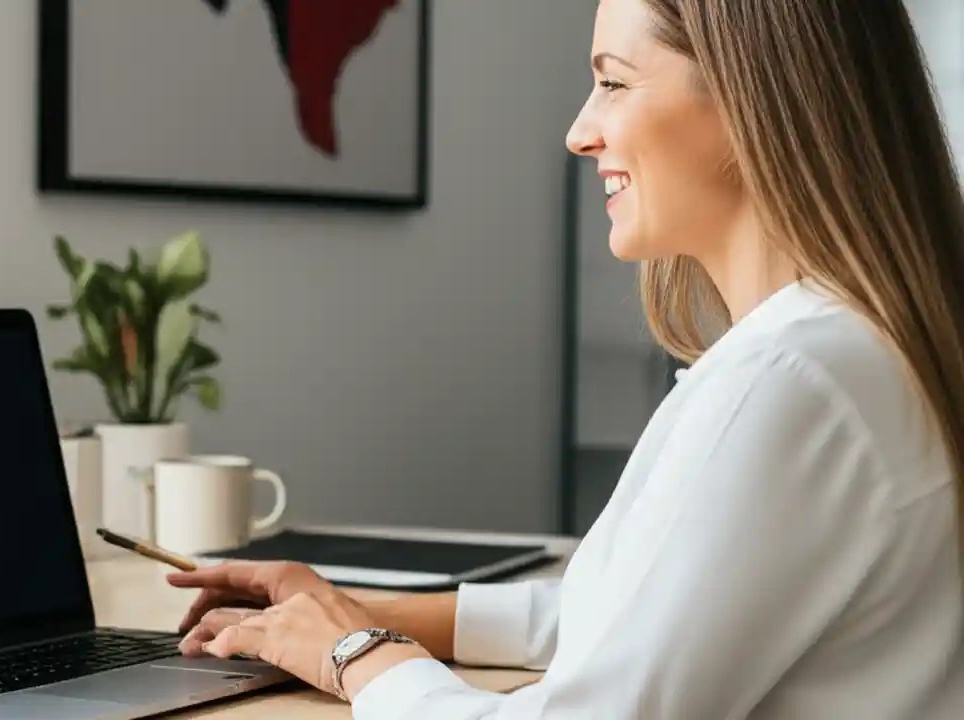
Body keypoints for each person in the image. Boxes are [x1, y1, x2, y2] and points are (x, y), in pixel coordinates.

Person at [166, 0, 964, 716]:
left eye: (614, 83)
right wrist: (370, 613)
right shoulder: (846, 350)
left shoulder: (794, 380)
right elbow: (652, 614)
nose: (580, 131)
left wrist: (355, 657)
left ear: (751, 98)